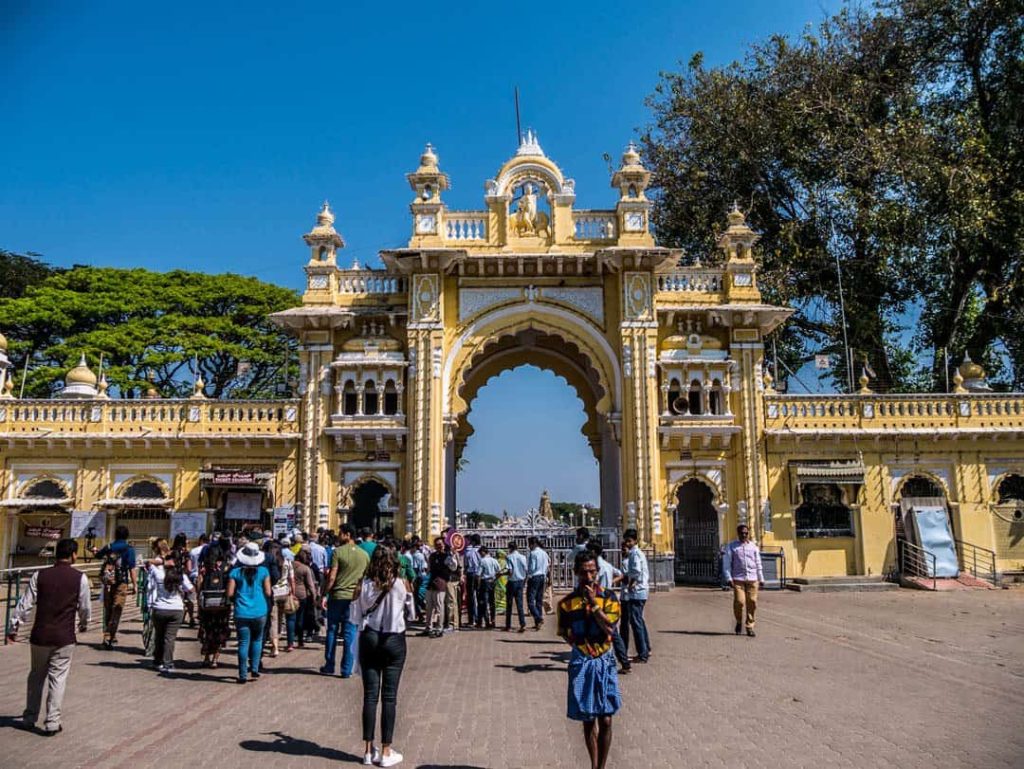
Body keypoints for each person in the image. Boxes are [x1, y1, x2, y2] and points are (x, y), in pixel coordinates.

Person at [7, 538, 91, 736]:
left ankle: (29, 717)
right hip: (64, 637)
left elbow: (25, 603)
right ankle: (52, 721)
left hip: (40, 635)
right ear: (74, 555)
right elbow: (85, 607)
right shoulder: (81, 578)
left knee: (36, 676)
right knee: (58, 678)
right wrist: (84, 623)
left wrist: (14, 625)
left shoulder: (40, 575)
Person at [557, 550, 622, 769]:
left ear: (598, 572)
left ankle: (601, 767)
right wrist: (581, 647)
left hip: (604, 657)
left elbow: (609, 627)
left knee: (606, 718)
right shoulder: (566, 603)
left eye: (592, 571)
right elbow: (565, 633)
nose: (589, 576)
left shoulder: (609, 598)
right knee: (588, 717)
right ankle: (594, 765)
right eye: (584, 572)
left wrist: (594, 604)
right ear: (576, 573)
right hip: (583, 659)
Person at [350, 546, 410, 768]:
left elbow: (354, 616)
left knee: (370, 696)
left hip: (370, 639)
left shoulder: (363, 585)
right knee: (390, 697)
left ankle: (367, 751)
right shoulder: (400, 584)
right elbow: (411, 613)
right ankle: (386, 751)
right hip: (394, 641)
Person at [321, 523, 370, 677]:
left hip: (337, 597)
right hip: (354, 599)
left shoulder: (338, 552)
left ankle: (329, 665)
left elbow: (332, 577)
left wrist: (324, 594)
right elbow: (365, 579)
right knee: (350, 634)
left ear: (348, 534)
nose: (338, 535)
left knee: (332, 631)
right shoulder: (364, 555)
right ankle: (346, 670)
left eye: (340, 533)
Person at [227, 542, 272, 684]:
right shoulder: (264, 571)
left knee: (243, 642)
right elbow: (268, 592)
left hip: (242, 611)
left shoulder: (235, 573)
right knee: (257, 640)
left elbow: (230, 593)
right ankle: (255, 667)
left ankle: (242, 674)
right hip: (260, 611)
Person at [146, 546, 194, 674]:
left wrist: (162, 562)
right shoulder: (181, 575)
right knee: (170, 638)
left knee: (159, 636)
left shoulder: (159, 573)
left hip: (159, 608)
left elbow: (147, 563)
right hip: (176, 609)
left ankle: (157, 661)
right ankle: (168, 663)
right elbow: (190, 589)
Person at [90, 525, 137, 649]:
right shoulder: (130, 549)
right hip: (122, 583)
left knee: (108, 608)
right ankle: (111, 635)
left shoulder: (109, 547)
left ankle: (107, 635)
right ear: (127, 536)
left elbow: (98, 556)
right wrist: (135, 585)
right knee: (117, 608)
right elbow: (132, 568)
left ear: (115, 535)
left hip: (108, 582)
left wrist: (94, 550)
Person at [589, 541, 630, 674]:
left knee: (606, 632)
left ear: (594, 552)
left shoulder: (596, 567)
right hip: (610, 599)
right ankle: (622, 661)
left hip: (599, 602)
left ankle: (619, 661)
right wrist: (612, 583)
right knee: (611, 631)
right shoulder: (607, 565)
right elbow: (620, 574)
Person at [722, 523, 765, 637]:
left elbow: (758, 562)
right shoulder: (732, 546)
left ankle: (750, 626)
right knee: (740, 602)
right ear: (738, 534)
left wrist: (761, 578)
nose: (744, 535)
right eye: (742, 533)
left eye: (746, 533)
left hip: (752, 578)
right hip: (738, 579)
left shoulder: (753, 546)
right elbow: (727, 563)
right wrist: (728, 578)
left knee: (752, 602)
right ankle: (739, 621)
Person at [196, 544, 232, 668]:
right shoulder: (227, 567)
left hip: (207, 606)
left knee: (208, 631)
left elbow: (199, 587)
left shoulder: (205, 568)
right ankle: (215, 659)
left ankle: (206, 657)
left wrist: (199, 605)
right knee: (220, 631)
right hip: (222, 606)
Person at [620, 529, 650, 664]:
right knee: (638, 620)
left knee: (635, 622)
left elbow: (636, 572)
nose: (627, 543)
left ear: (635, 541)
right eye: (626, 540)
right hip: (640, 591)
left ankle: (642, 653)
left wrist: (630, 585)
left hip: (637, 591)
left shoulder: (634, 554)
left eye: (629, 540)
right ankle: (645, 649)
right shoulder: (636, 553)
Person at [287, 548, 318, 650]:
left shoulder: (288, 565)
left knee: (290, 619)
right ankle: (300, 641)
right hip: (302, 595)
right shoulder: (305, 568)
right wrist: (314, 597)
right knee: (300, 618)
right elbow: (310, 585)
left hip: (289, 594)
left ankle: (290, 643)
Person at [423, 536, 450, 638]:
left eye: (440, 544)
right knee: (429, 607)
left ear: (443, 545)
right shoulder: (432, 556)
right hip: (431, 582)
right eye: (437, 544)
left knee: (439, 606)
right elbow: (429, 568)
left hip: (441, 582)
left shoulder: (447, 556)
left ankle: (439, 628)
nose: (438, 546)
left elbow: (452, 567)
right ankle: (428, 627)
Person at [169, 532, 196, 628]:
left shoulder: (171, 552)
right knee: (189, 599)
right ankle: (191, 618)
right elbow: (189, 569)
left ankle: (178, 618)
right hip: (184, 578)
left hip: (172, 578)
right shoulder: (186, 553)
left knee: (177, 598)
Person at [503, 541, 528, 633]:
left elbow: (510, 571)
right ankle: (522, 624)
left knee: (509, 604)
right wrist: (524, 581)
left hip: (512, 581)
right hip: (520, 581)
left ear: (510, 548)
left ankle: (508, 625)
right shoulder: (523, 557)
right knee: (520, 604)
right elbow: (526, 570)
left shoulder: (509, 557)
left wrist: (502, 574)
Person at [526, 537, 550, 631]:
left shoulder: (533, 553)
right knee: (539, 600)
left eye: (529, 544)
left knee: (530, 601)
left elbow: (532, 567)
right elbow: (547, 565)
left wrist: (528, 576)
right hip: (542, 576)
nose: (529, 547)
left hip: (534, 577)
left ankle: (538, 617)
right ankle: (538, 622)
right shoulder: (544, 553)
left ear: (532, 544)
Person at [477, 546, 500, 629]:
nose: (480, 555)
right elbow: (499, 571)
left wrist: (478, 585)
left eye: (480, 553)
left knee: (484, 602)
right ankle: (493, 620)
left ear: (483, 552)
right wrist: (495, 579)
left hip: (485, 582)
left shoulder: (482, 561)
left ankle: (487, 621)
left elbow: (478, 574)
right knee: (492, 602)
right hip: (492, 582)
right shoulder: (494, 560)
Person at [462, 534, 482, 628]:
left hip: (471, 574)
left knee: (471, 598)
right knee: (480, 597)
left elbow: (466, 564)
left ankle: (472, 619)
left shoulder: (469, 551)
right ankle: (480, 619)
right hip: (480, 575)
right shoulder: (483, 550)